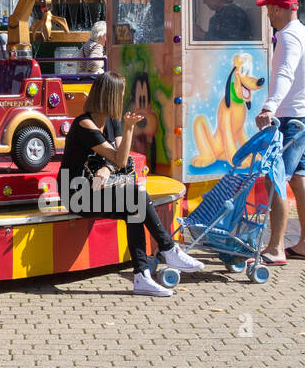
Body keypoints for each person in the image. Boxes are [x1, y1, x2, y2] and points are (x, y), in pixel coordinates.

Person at [59, 71, 203, 296]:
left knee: (134, 206)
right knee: (135, 198)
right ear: (110, 96)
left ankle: (142, 276)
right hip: (76, 192)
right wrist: (127, 131)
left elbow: (121, 162)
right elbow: (119, 158)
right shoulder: (84, 125)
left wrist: (107, 166)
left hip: (99, 187)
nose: (124, 99)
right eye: (121, 94)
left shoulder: (113, 121)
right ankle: (167, 249)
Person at [255, 0, 305, 264]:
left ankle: (275, 247)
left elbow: (284, 72)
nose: (267, 14)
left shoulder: (288, 36)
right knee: (300, 177)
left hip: (290, 120)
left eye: (269, 9)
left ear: (278, 10)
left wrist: (269, 106)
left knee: (275, 178)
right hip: (303, 117)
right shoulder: (303, 31)